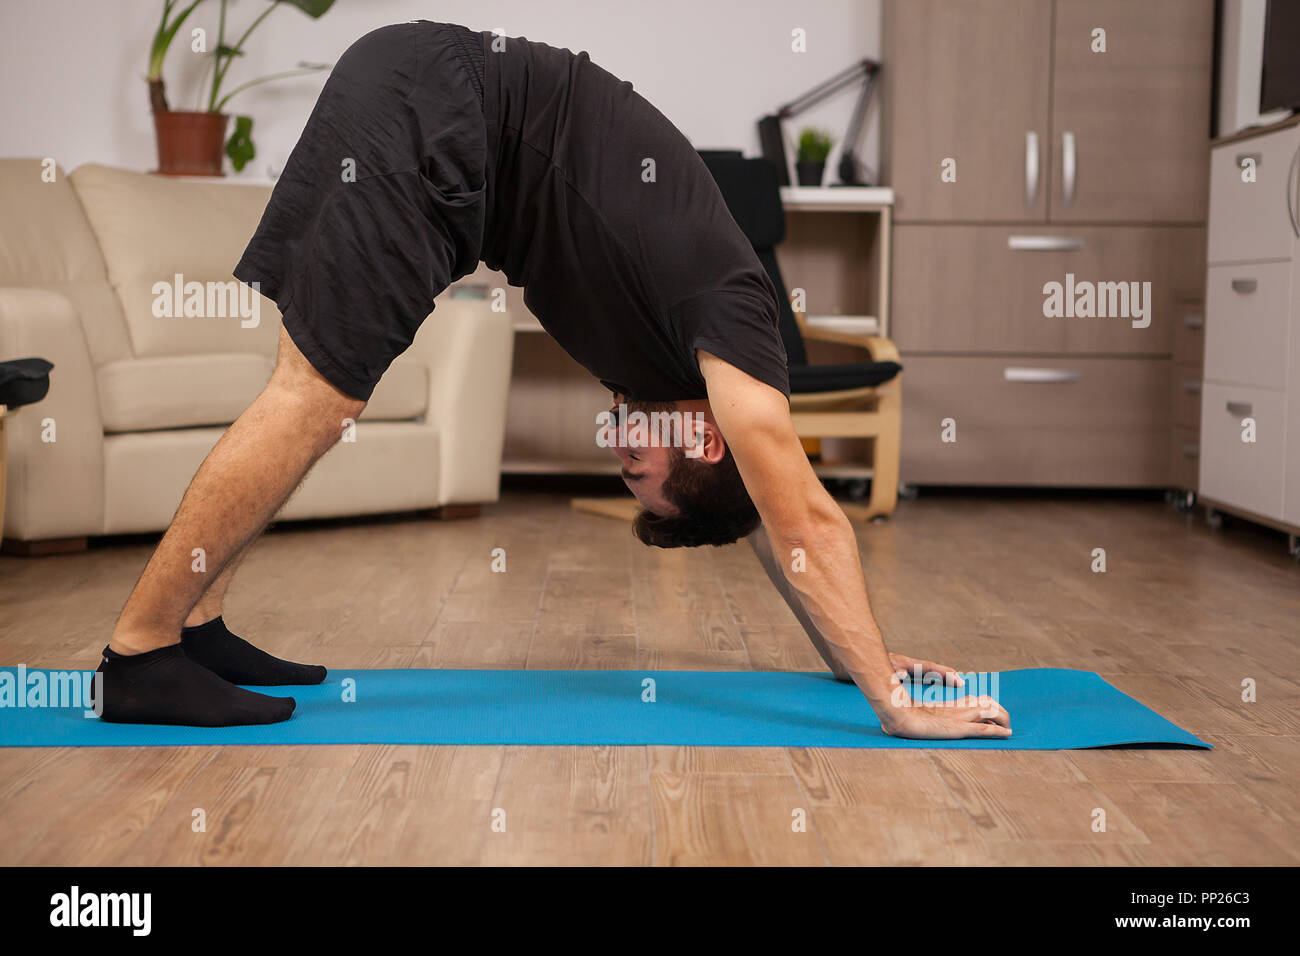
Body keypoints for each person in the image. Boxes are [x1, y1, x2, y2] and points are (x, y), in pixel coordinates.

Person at [95, 21, 1011, 739]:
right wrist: (893, 700)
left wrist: (861, 661)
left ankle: (199, 625)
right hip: (439, 112)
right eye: (637, 467)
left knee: (312, 392)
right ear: (706, 438)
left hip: (439, 116)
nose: (614, 442)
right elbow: (805, 513)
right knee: (317, 399)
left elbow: (774, 523)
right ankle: (140, 654)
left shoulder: (691, 383)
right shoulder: (733, 336)